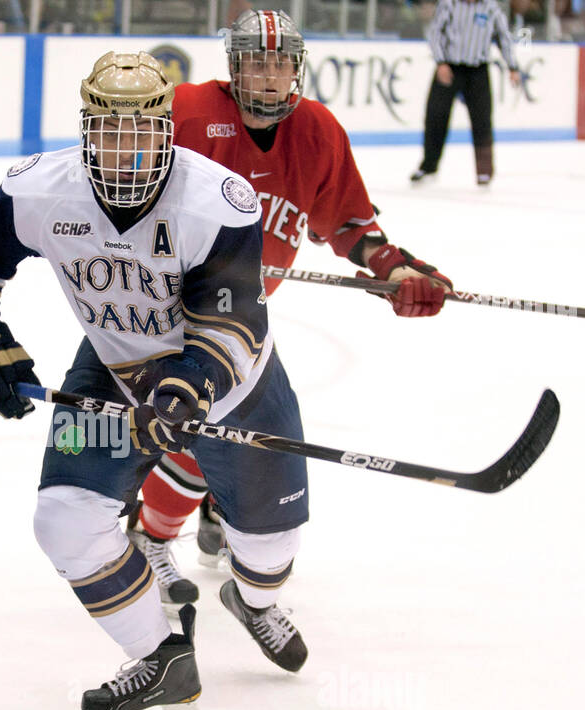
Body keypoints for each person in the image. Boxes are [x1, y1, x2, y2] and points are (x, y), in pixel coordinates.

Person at [0, 50, 344, 710]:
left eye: (141, 132)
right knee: (65, 518)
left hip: (235, 387)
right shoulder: (40, 189)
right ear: (86, 130)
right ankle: (163, 662)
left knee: (268, 554)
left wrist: (185, 392)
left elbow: (232, 321)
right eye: (108, 130)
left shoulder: (217, 202)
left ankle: (253, 598)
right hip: (111, 375)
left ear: (167, 132)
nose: (124, 149)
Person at [126, 11, 452, 667]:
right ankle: (157, 536)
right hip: (167, 309)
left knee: (239, 437)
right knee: (208, 427)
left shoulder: (319, 131)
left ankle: (204, 529)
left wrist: (397, 268)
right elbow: (122, 190)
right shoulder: (189, 114)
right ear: (234, 66)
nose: (270, 77)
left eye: (281, 64)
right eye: (256, 63)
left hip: (243, 316)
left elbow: (350, 223)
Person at [411, 0, 523, 186]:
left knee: (482, 120)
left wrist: (512, 66)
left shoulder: (490, 7)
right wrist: (441, 62)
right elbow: (435, 33)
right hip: (449, 66)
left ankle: (484, 171)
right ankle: (428, 166)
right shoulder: (449, 4)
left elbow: (504, 36)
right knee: (436, 116)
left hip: (477, 70)